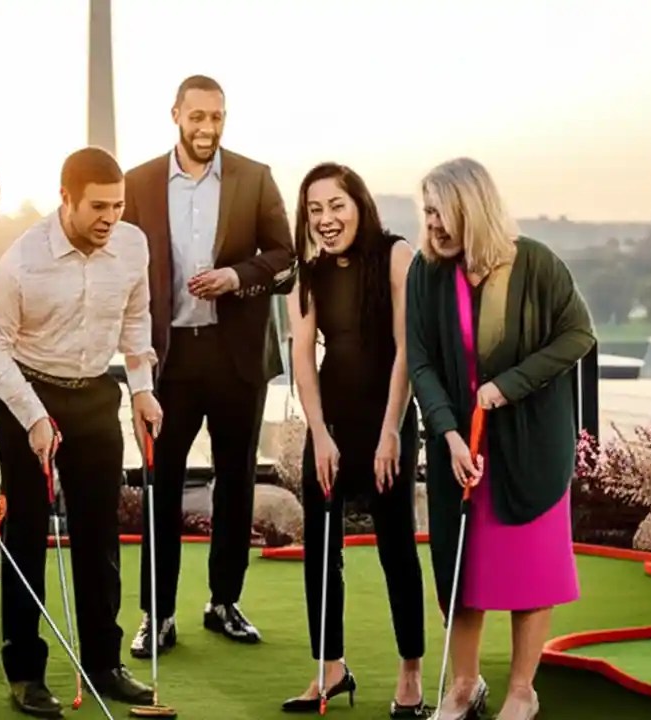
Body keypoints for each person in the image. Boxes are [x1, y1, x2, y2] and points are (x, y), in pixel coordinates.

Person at [406, 158, 594, 720]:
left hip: (530, 445)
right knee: (462, 569)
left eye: (440, 211)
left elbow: (578, 334)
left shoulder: (537, 263)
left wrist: (504, 388)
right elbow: (420, 360)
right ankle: (464, 686)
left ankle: (520, 690)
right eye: (428, 211)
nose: (432, 223)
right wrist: (449, 433)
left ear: (472, 207)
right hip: (460, 449)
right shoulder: (426, 270)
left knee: (528, 568)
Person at [120, 74, 297, 656]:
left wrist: (237, 277)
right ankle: (158, 615)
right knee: (161, 486)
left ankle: (224, 602)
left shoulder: (255, 177)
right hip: (166, 359)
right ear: (176, 115)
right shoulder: (139, 182)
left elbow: (284, 256)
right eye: (197, 117)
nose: (208, 128)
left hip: (237, 356)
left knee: (237, 482)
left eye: (217, 117)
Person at [0, 146, 163, 717]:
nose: (109, 218)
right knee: (27, 538)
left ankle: (103, 663)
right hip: (28, 397)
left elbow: (136, 319)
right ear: (65, 198)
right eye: (97, 207)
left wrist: (141, 388)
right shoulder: (21, 260)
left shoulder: (132, 245)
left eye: (117, 205)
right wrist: (36, 418)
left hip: (95, 395)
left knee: (100, 537)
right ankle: (26, 671)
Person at [279, 163, 428, 716]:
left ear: (358, 203)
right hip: (333, 428)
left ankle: (410, 672)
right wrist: (319, 434)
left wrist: (391, 430)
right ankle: (331, 670)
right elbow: (302, 357)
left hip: (387, 421)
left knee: (396, 549)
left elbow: (407, 349)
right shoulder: (308, 274)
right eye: (315, 210)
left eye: (336, 205)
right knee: (320, 552)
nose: (326, 219)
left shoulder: (396, 256)